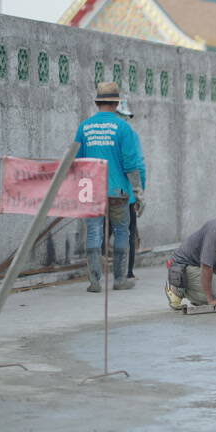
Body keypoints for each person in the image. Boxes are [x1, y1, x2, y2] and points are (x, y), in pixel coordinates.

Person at [74, 82, 146, 293]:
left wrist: (79, 191)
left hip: (92, 190)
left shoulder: (84, 127)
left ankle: (94, 282)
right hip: (119, 191)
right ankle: (120, 280)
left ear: (98, 103)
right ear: (116, 103)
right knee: (122, 231)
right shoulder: (123, 128)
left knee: (94, 233)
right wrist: (139, 194)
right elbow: (132, 165)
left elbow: (77, 161)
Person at [107, 97, 145, 280]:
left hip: (101, 193)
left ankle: (97, 274)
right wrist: (140, 193)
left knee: (101, 233)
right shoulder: (130, 135)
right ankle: (126, 273)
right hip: (124, 194)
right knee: (127, 233)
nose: (126, 121)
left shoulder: (100, 135)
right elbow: (138, 165)